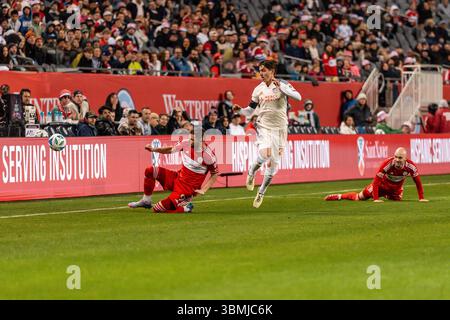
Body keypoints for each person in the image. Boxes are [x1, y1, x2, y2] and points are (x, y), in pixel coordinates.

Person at [234, 59, 301, 208]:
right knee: (265, 154)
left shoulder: (283, 85)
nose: (261, 73)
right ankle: (251, 171)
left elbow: (298, 97)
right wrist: (239, 110)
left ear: (272, 72)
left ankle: (261, 192)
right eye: (260, 70)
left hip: (280, 129)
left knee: (272, 166)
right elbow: (250, 111)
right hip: (264, 126)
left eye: (264, 70)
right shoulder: (258, 89)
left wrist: (283, 89)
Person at [128, 128, 219, 213]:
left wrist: (203, 189)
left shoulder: (208, 155)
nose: (190, 141)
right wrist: (153, 149)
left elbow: (215, 173)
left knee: (157, 208)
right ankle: (146, 201)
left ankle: (185, 207)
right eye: (190, 138)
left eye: (193, 140)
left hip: (187, 188)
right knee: (150, 170)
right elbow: (170, 149)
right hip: (177, 178)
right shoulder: (186, 143)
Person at [325, 147, 428, 202]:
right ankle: (339, 196)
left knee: (398, 201)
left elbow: (417, 182)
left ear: (405, 159)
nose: (397, 160)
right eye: (396, 157)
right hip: (381, 187)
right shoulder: (387, 164)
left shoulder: (411, 166)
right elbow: (376, 181)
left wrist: (421, 197)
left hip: (396, 190)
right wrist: (376, 199)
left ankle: (388, 195)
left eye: (400, 158)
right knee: (359, 197)